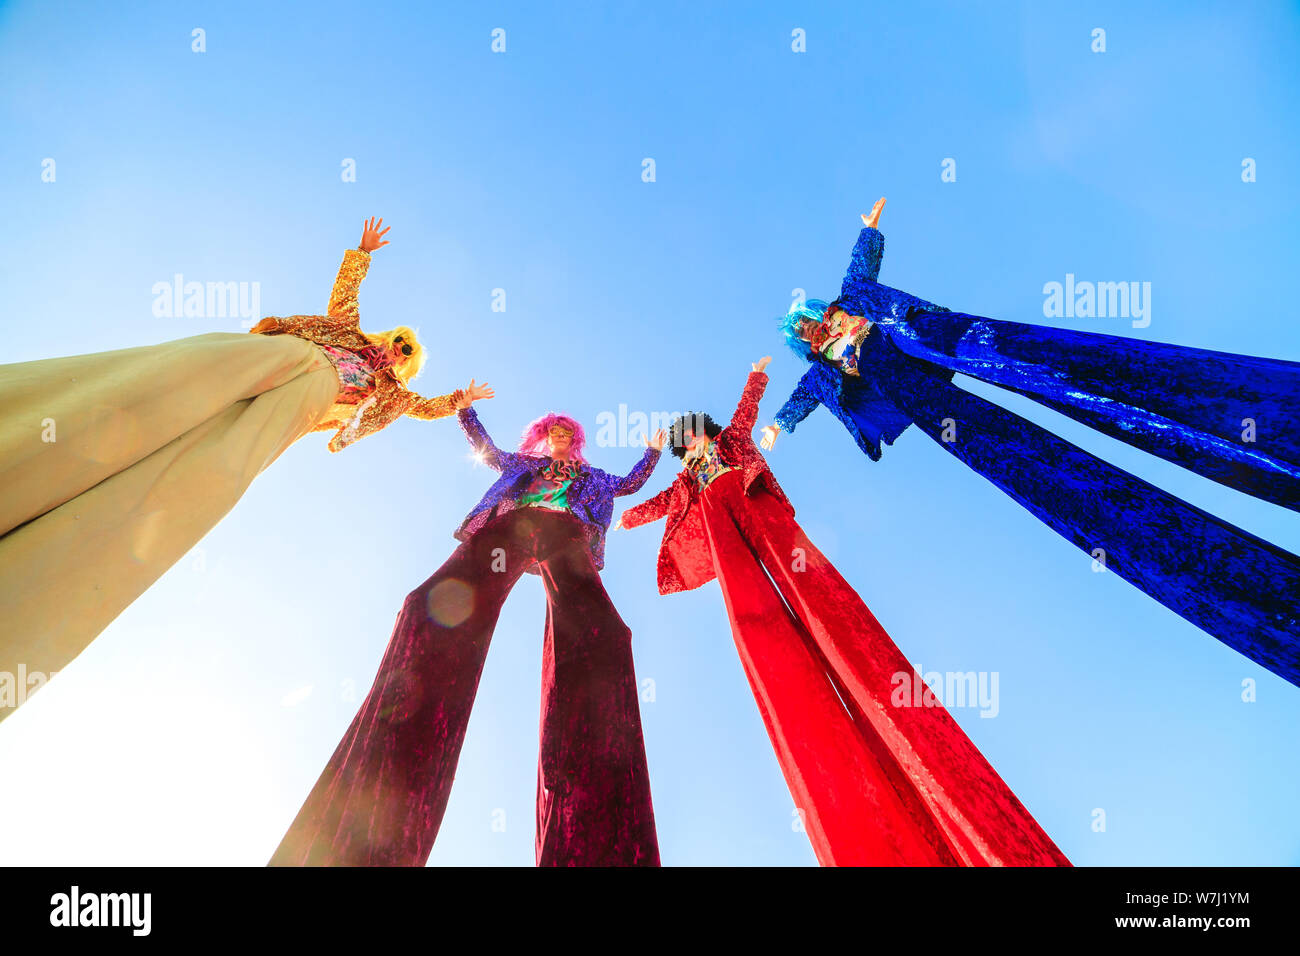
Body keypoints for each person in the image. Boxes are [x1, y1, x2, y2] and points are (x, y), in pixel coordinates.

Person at [761, 200, 1300, 687]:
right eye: (806, 335)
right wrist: (779, 425)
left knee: (993, 350)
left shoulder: (851, 296)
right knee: (992, 443)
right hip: (905, 384)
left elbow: (861, 267)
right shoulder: (822, 372)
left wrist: (869, 231)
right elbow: (802, 398)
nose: (814, 331)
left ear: (816, 311)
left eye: (812, 322)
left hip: (912, 336)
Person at [0, 217, 476, 718]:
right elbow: (345, 292)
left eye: (406, 351)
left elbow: (426, 407)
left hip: (313, 395)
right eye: (397, 338)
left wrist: (458, 401)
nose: (396, 349)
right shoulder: (344, 329)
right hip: (289, 354)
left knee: (223, 459)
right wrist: (362, 252)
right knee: (194, 370)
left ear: (405, 365)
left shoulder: (392, 396)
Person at [616, 358, 1069, 866]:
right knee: (748, 599)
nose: (691, 442)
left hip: (753, 505)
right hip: (724, 530)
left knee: (799, 571)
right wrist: (627, 518)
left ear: (704, 432)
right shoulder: (684, 483)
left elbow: (745, 413)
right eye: (684, 440)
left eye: (694, 433)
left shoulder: (729, 446)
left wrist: (755, 377)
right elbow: (655, 505)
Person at [271, 396, 667, 866]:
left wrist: (652, 454)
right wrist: (466, 414)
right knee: (431, 604)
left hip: (566, 535)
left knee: (602, 631)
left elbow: (627, 485)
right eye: (554, 434)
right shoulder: (526, 464)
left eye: (567, 435)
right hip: (515, 526)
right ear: (546, 436)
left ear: (575, 441)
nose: (560, 440)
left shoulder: (593, 477)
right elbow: (491, 453)